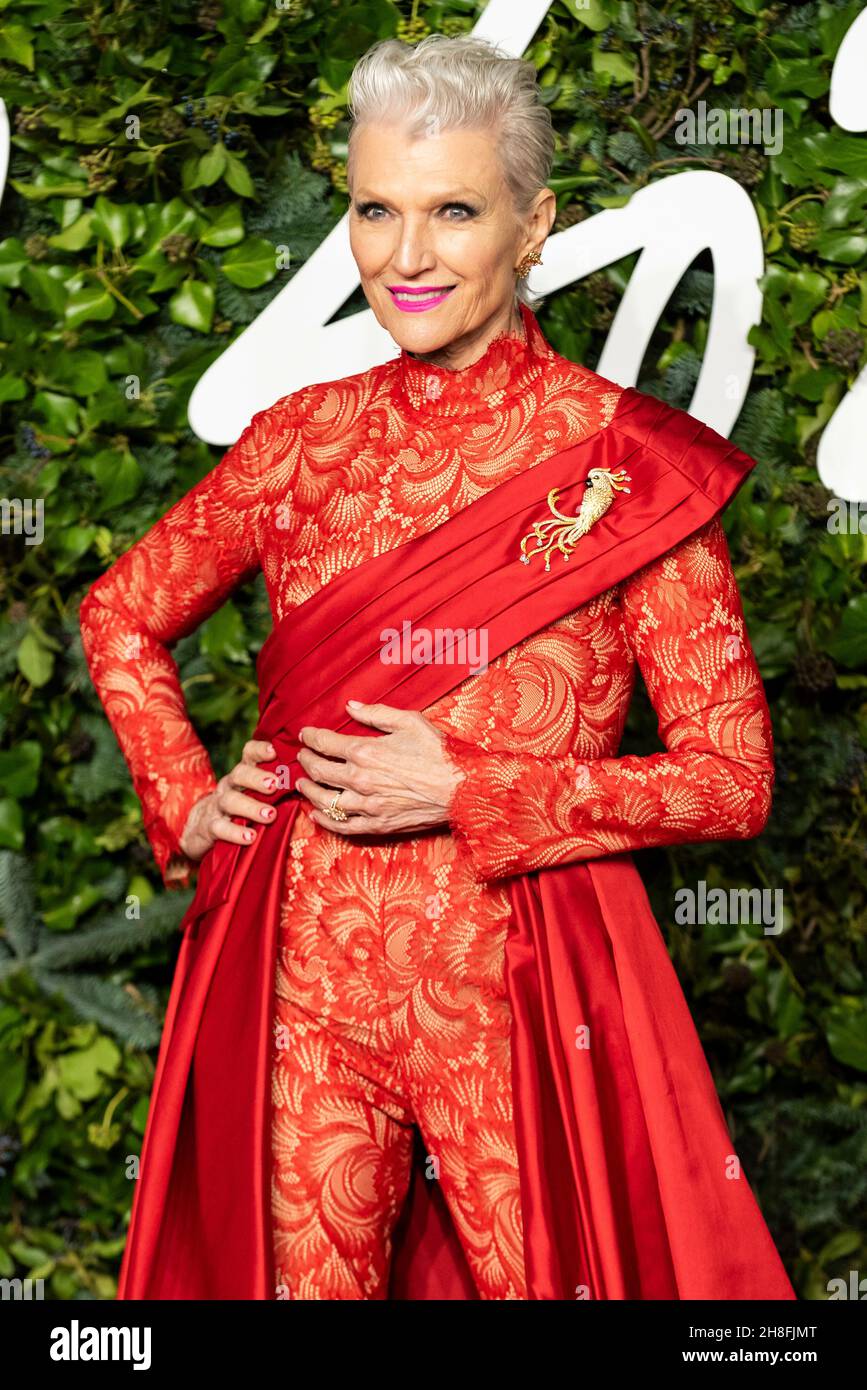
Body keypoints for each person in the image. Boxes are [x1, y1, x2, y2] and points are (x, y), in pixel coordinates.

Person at [79, 33, 796, 1301]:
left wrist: (473, 788)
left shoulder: (630, 466)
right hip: (301, 984)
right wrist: (185, 799)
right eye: (375, 211)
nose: (404, 259)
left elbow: (731, 780)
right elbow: (123, 613)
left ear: (534, 226)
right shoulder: (302, 440)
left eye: (453, 211)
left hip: (527, 990)